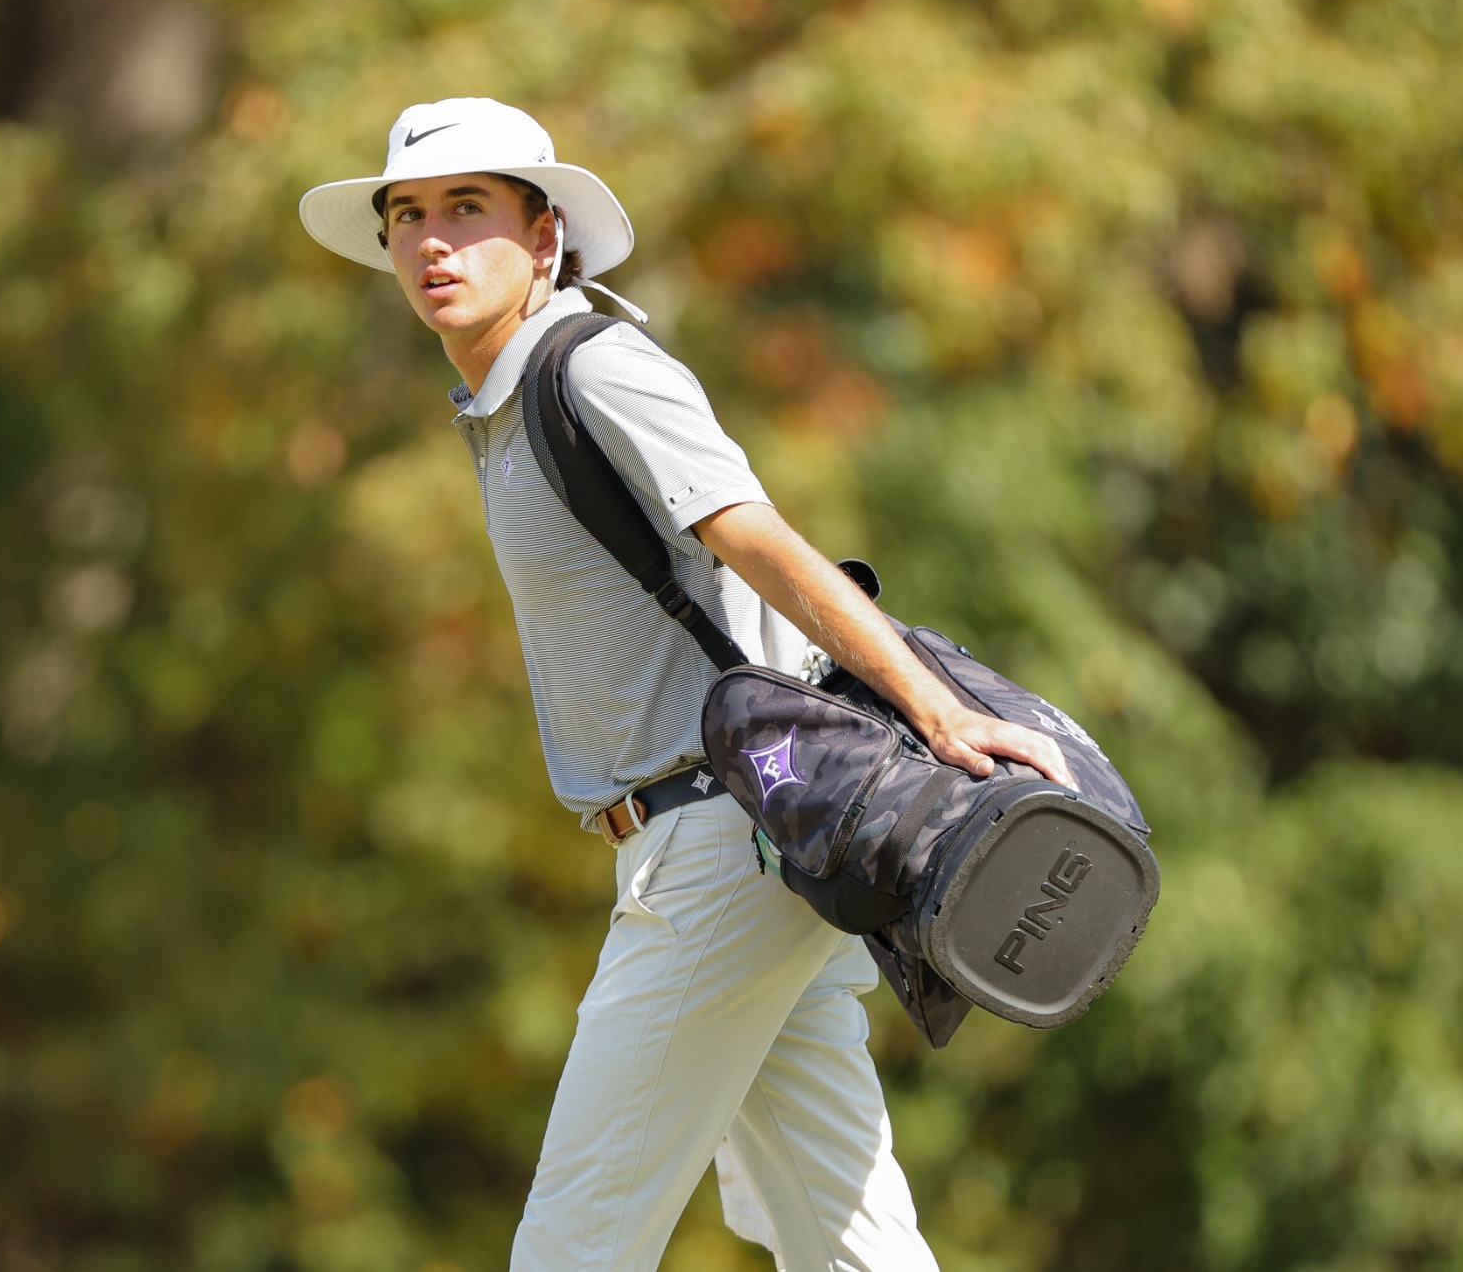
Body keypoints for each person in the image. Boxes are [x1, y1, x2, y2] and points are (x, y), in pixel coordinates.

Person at [299, 98, 1073, 1272]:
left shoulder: (589, 364)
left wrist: (937, 708)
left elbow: (755, 535)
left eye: (466, 207)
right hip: (733, 847)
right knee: (847, 1245)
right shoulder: (501, 403)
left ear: (545, 236)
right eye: (406, 215)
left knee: (573, 1243)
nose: (431, 241)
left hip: (722, 840)